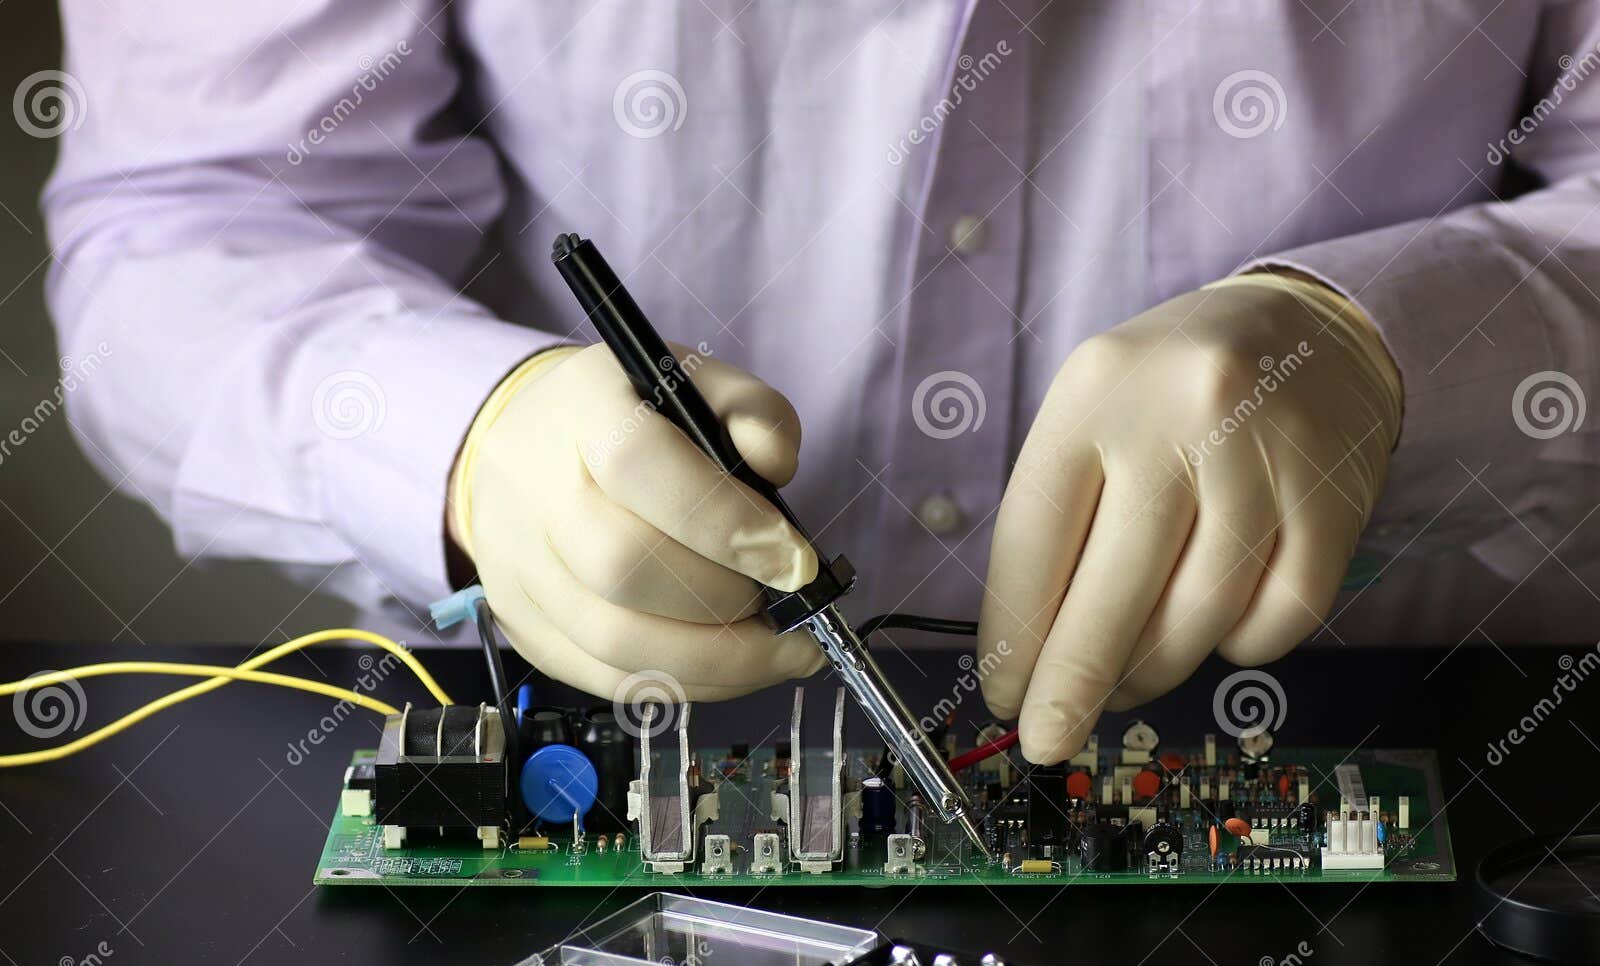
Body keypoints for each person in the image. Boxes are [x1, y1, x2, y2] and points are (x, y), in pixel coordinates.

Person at [42, 2, 1600, 764]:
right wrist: (467, 440)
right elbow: (192, 211)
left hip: (1450, 759)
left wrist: (1391, 343)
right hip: (565, 760)